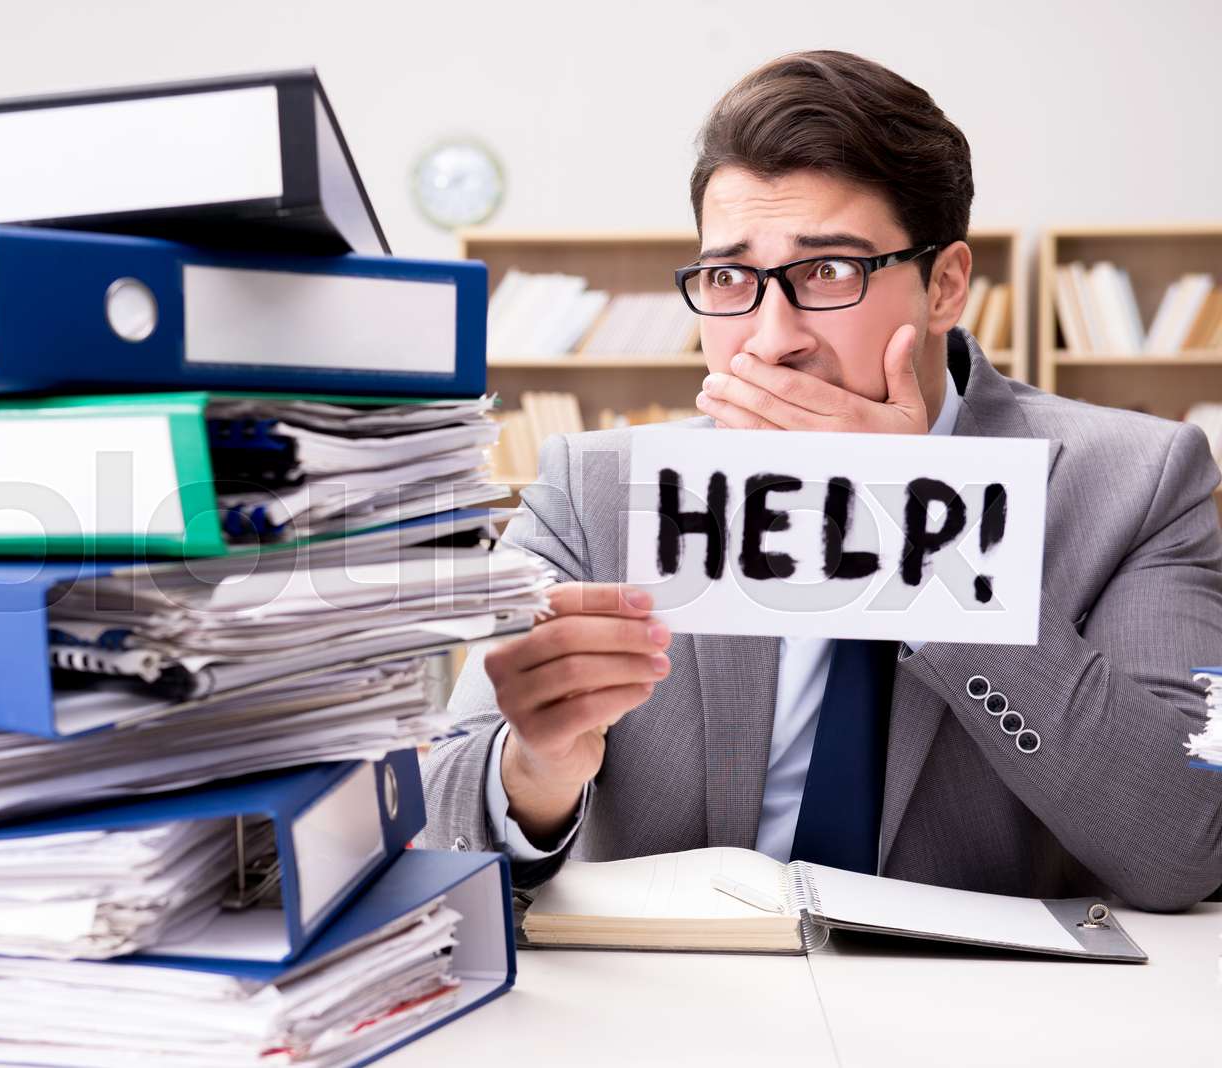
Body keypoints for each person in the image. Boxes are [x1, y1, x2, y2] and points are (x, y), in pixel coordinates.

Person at [420, 49, 1222, 911]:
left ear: (945, 285)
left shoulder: (1141, 484)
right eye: (729, 277)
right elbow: (442, 822)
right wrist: (536, 772)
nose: (771, 338)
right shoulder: (597, 491)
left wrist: (921, 539)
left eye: (828, 270)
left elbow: (1188, 845)